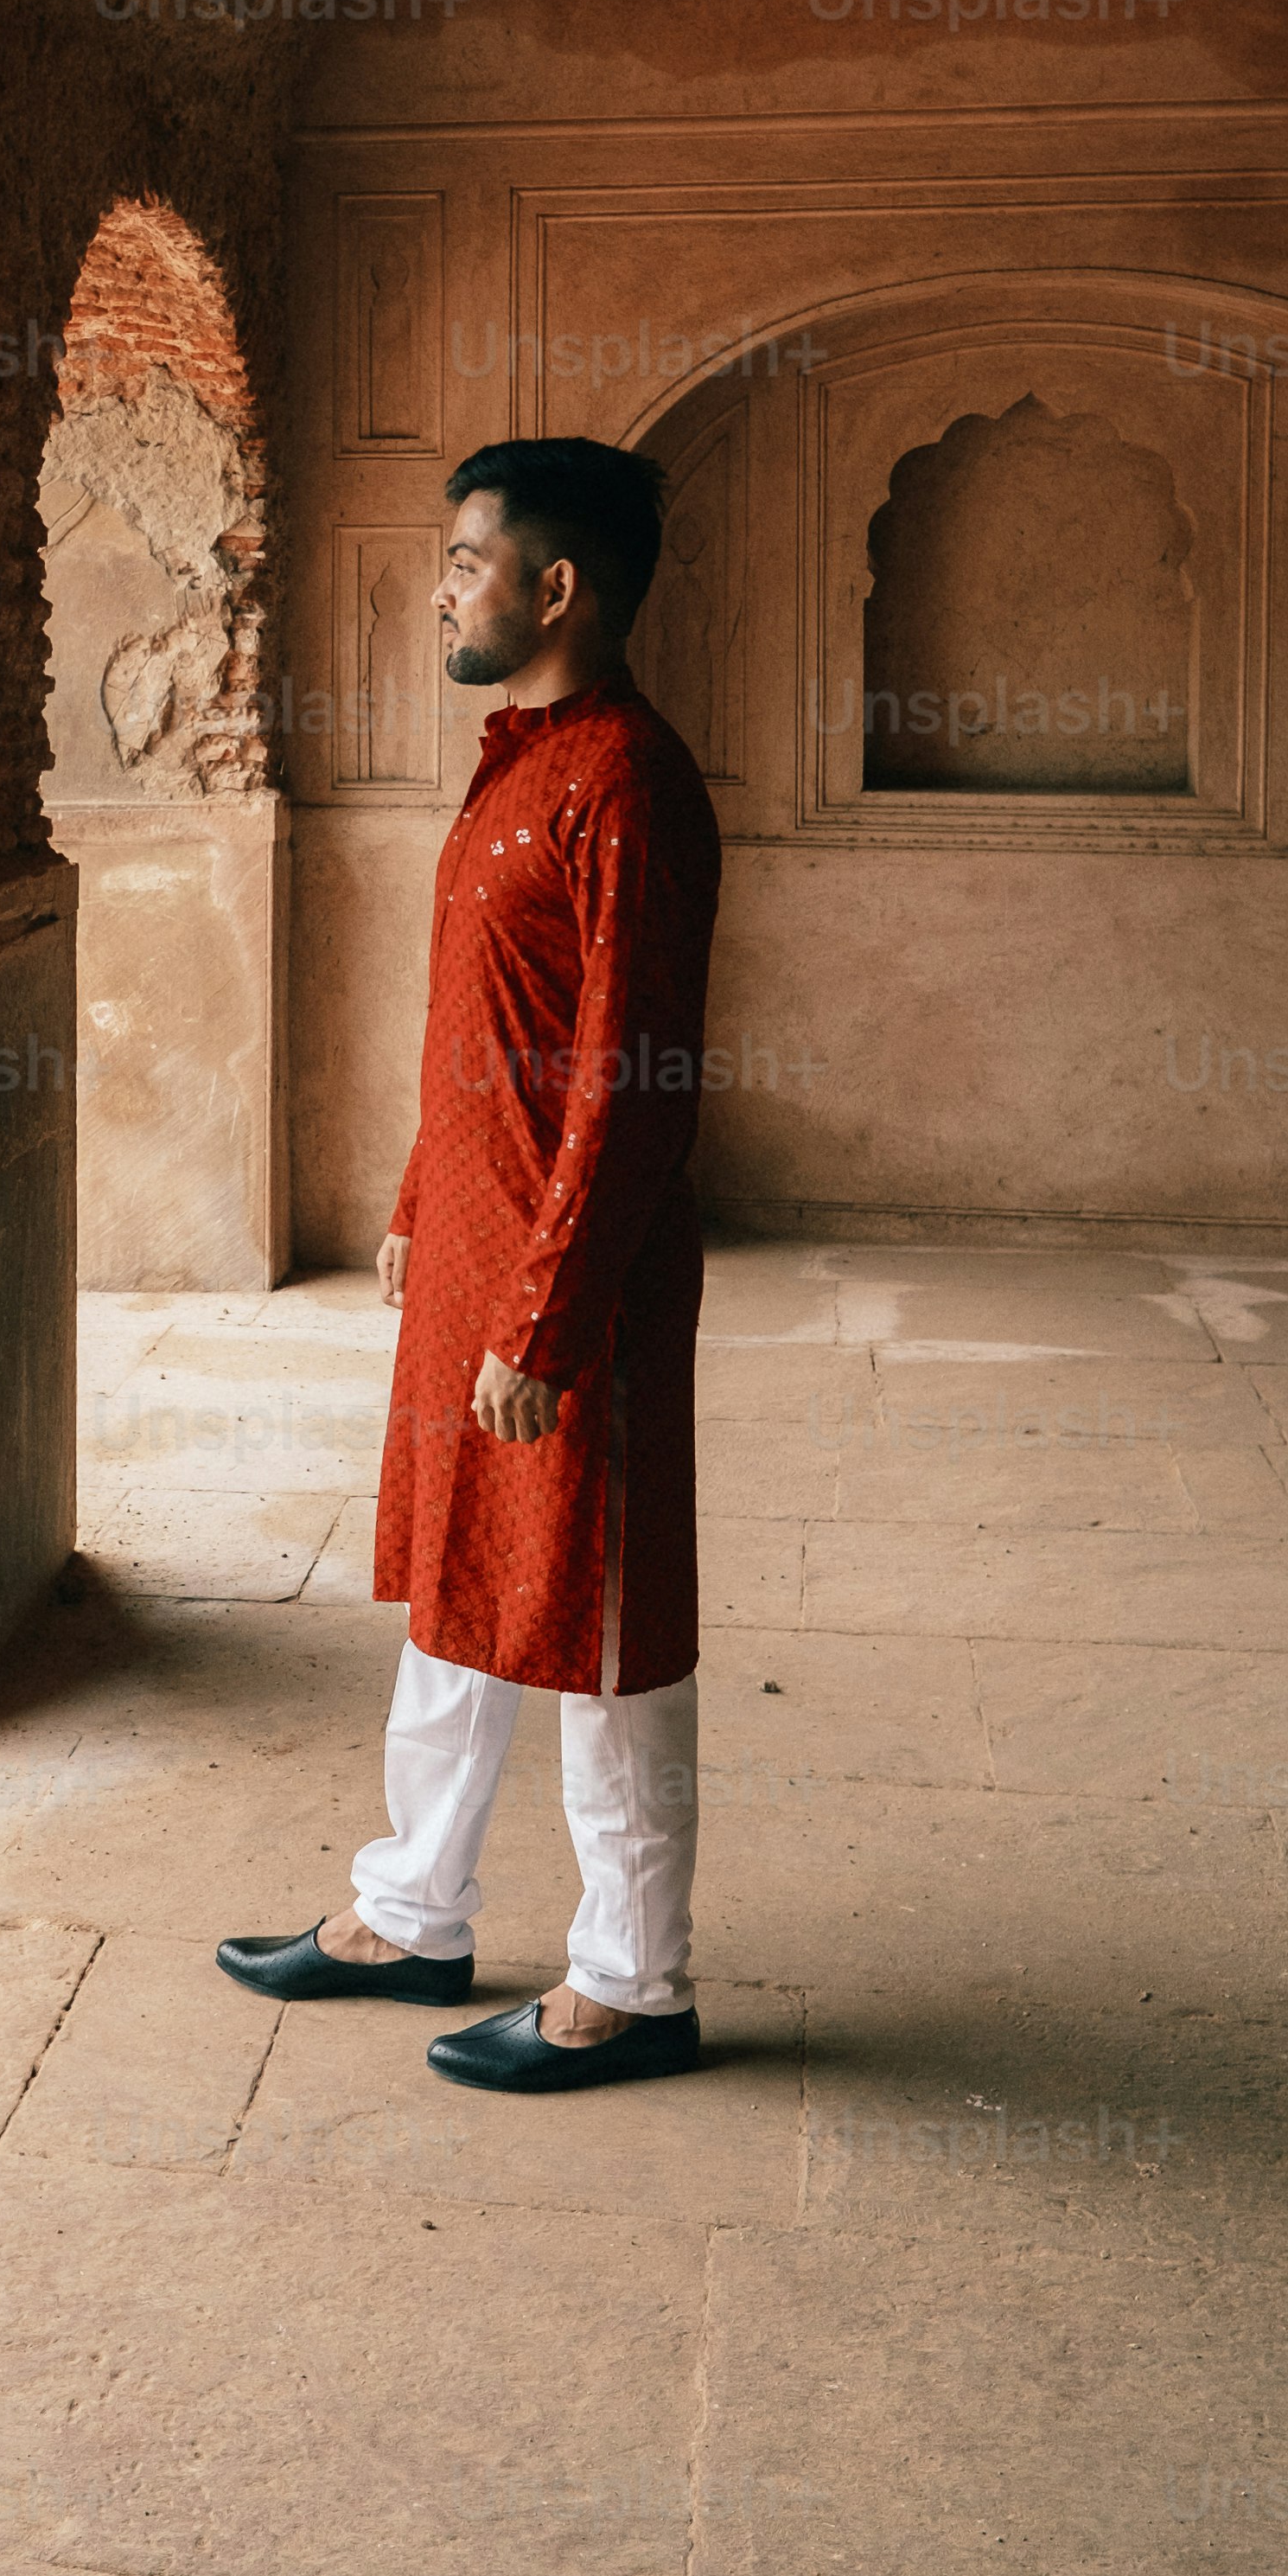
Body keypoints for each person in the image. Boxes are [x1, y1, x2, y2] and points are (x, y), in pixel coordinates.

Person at [219, 437, 723, 2089]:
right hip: (477, 1256)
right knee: (459, 1579)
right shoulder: (523, 760)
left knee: (600, 1618)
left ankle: (633, 1982)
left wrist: (548, 1316)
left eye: (462, 560)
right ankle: (410, 1910)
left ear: (553, 587)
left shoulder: (626, 781)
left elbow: (625, 1080)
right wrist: (421, 1198)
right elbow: (489, 1024)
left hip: (572, 1285)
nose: (438, 590)